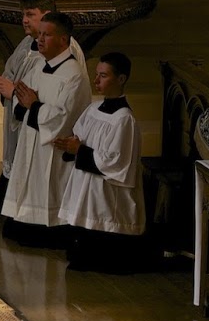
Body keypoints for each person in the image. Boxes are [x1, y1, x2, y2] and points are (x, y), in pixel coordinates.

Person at [0, 11, 91, 248]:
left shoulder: (74, 75)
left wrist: (34, 105)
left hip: (53, 149)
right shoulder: (40, 66)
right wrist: (28, 104)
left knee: (48, 199)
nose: (39, 40)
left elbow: (62, 118)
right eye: (39, 35)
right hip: (32, 141)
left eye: (46, 35)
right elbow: (21, 98)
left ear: (62, 40)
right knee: (16, 224)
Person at [56, 52, 145, 273]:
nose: (96, 81)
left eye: (103, 76)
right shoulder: (93, 109)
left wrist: (79, 150)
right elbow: (78, 137)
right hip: (85, 186)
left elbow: (116, 162)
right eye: (96, 75)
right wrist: (70, 145)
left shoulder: (124, 120)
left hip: (106, 194)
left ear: (121, 79)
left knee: (100, 248)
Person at [0, 0, 58, 212]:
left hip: (35, 129)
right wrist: (8, 88)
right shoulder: (27, 42)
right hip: (16, 129)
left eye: (30, 14)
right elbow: (10, 70)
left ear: (46, 15)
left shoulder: (58, 52)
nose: (24, 20)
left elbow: (44, 94)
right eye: (23, 15)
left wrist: (13, 93)